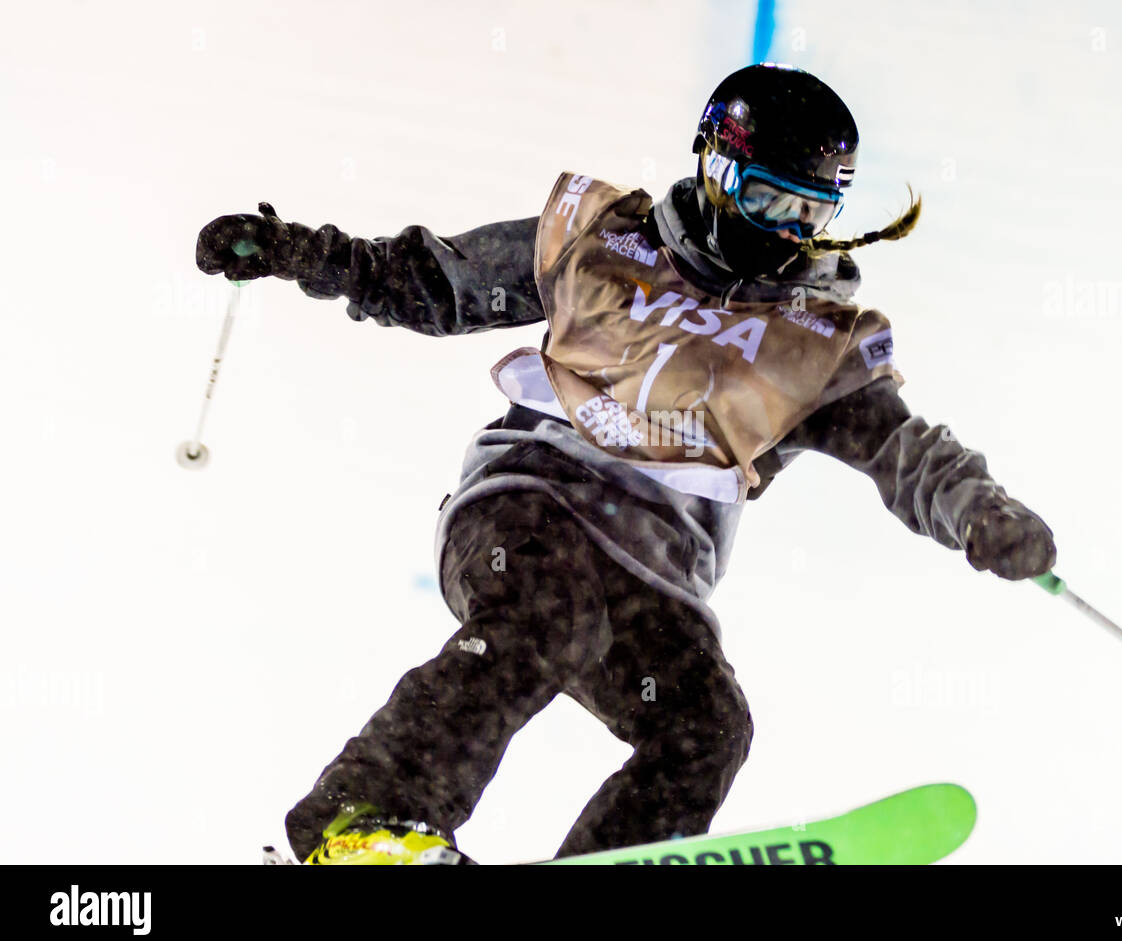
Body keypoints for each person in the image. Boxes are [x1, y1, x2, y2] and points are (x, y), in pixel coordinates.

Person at [196, 63, 1055, 865]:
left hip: (651, 572)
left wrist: (981, 512)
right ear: (715, 167)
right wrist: (295, 250)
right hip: (527, 508)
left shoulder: (813, 350)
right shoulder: (599, 248)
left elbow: (909, 456)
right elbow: (430, 280)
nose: (783, 235)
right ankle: (367, 822)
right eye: (765, 201)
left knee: (708, 723)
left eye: (808, 216)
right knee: (550, 610)